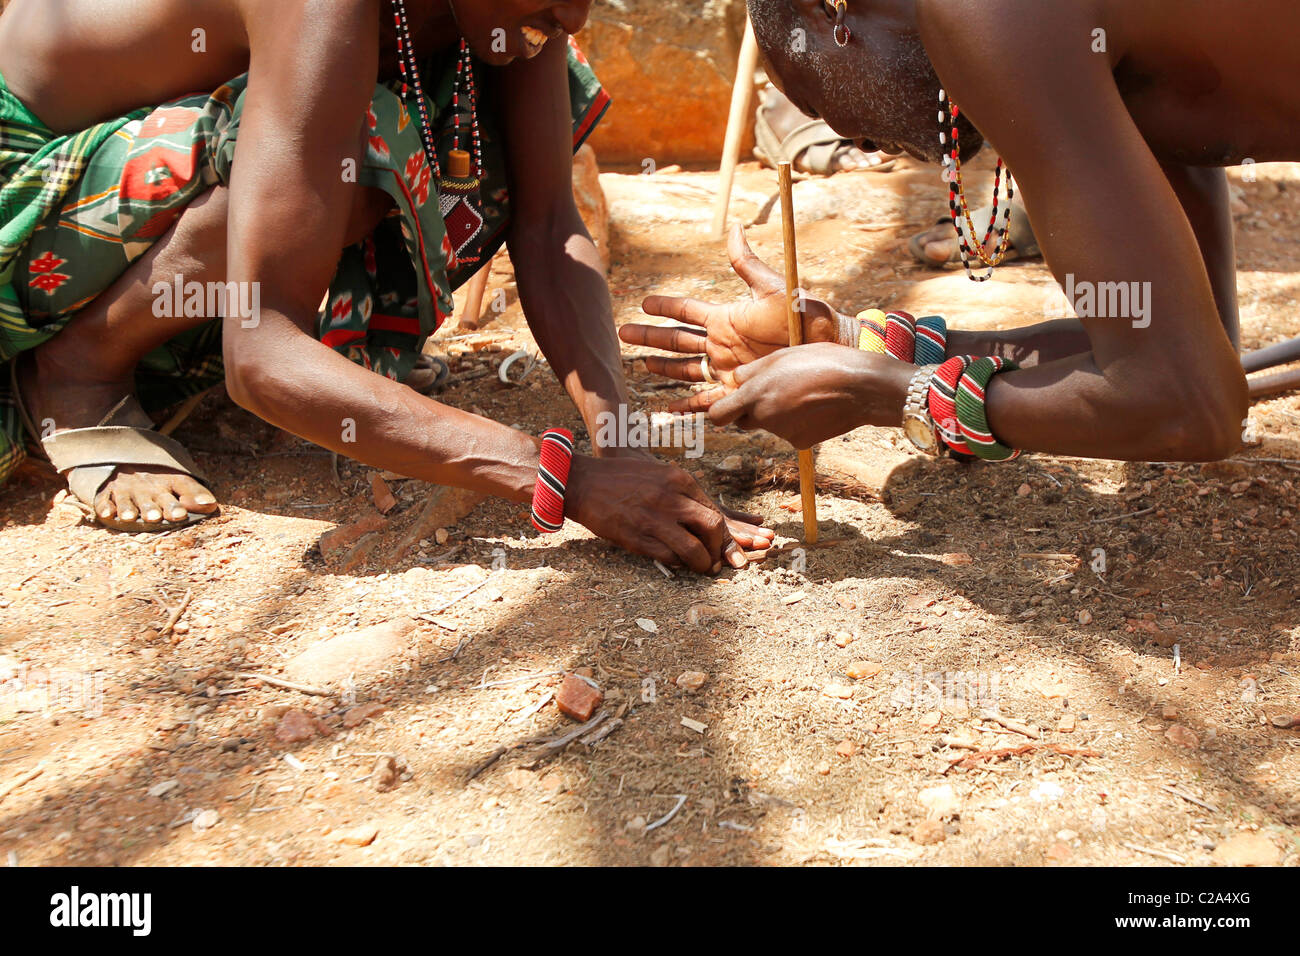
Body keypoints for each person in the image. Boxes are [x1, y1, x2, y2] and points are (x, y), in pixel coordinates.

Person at [0, 0, 773, 573]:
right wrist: (563, 480)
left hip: (176, 212)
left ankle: (265, 363)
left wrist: (622, 433)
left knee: (462, 134)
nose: (574, 12)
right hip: (33, 198)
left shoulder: (523, 12)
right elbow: (262, 348)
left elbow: (544, 225)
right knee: (370, 140)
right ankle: (79, 368)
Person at [622, 0, 1292, 465]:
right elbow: (1194, 356)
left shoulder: (986, 14)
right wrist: (872, 346)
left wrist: (878, 392)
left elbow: (1186, 407)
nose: (852, 139)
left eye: (815, 100)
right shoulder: (1099, 51)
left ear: (828, 12)